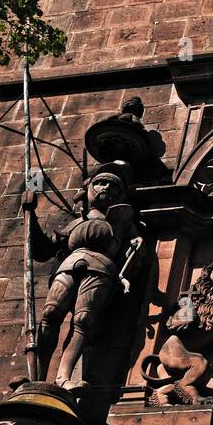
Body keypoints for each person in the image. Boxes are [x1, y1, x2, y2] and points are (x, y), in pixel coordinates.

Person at [22, 160, 143, 388]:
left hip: (101, 268)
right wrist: (31, 216)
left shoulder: (123, 223)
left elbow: (133, 255)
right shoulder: (76, 223)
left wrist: (134, 252)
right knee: (50, 313)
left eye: (113, 186)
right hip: (69, 264)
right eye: (101, 183)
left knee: (83, 320)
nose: (106, 188)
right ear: (89, 188)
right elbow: (43, 250)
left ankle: (63, 377)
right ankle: (36, 377)